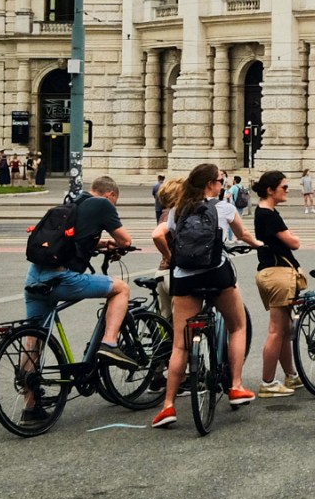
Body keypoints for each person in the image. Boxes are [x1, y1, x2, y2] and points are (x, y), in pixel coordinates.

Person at [150, 164, 261, 428]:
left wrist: (170, 257)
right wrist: (258, 244)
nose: (222, 185)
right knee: (237, 326)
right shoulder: (224, 208)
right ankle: (236, 386)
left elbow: (162, 234)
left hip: (185, 277)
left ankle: (168, 407)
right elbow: (243, 235)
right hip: (216, 274)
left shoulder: (177, 210)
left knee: (180, 345)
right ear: (211, 184)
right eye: (220, 181)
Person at [23, 175, 140, 379]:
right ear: (110, 194)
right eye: (116, 202)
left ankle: (28, 393)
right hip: (61, 278)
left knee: (34, 339)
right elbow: (125, 240)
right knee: (121, 288)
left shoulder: (73, 202)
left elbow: (70, 240)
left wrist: (100, 244)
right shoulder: (103, 204)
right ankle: (110, 343)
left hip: (34, 277)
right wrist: (119, 245)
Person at [251, 170, 303, 398]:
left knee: (283, 329)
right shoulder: (268, 214)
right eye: (284, 187)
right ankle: (268, 382)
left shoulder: (265, 212)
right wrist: (293, 237)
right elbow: (293, 242)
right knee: (276, 330)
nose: (287, 191)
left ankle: (290, 375)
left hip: (270, 273)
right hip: (278, 274)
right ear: (270, 190)